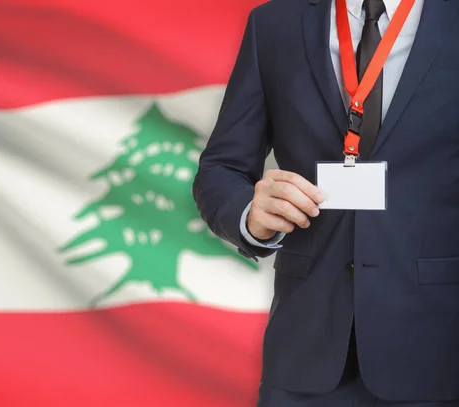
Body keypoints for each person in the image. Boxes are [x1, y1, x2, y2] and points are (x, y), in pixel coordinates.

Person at [192, 0, 459, 405]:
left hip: (439, 351)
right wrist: (249, 214)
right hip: (305, 356)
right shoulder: (274, 24)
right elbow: (221, 167)